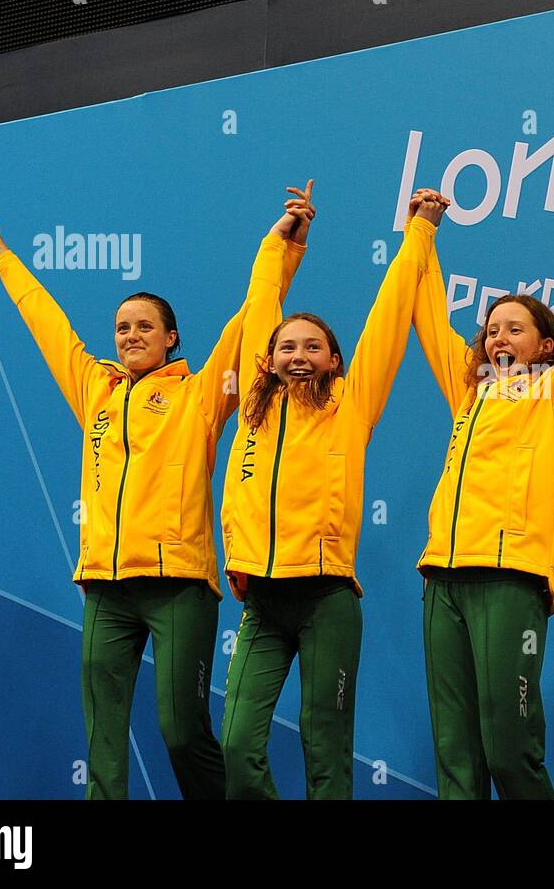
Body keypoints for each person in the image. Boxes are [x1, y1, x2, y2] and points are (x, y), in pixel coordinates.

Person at [0, 185, 309, 799]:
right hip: (106, 589)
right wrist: (1, 252)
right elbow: (46, 322)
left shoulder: (201, 395)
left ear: (171, 339)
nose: (130, 335)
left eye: (144, 326)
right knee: (104, 743)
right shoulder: (95, 389)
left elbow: (250, 320)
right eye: (122, 327)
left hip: (179, 586)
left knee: (182, 732)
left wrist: (284, 247)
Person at [407, 148, 554, 800]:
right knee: (456, 758)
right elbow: (422, 315)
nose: (498, 337)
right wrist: (422, 231)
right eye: (491, 328)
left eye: (515, 329)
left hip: (511, 578)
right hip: (442, 576)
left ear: (546, 345)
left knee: (508, 750)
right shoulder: (469, 389)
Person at [218, 183, 446, 799]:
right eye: (286, 346)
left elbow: (391, 311)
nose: (298, 354)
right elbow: (262, 299)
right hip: (261, 602)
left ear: (336, 360)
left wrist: (420, 231)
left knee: (326, 750)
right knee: (237, 748)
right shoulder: (254, 411)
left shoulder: (352, 404)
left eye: (313, 346)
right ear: (267, 359)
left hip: (327, 601)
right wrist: (282, 238)